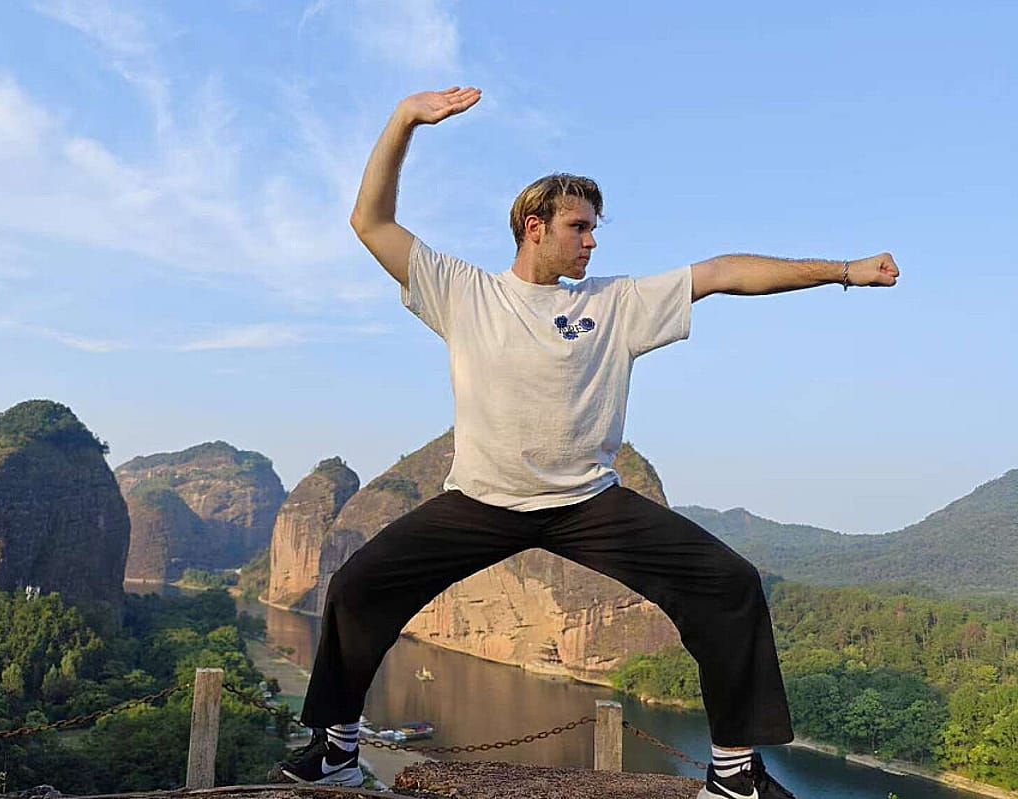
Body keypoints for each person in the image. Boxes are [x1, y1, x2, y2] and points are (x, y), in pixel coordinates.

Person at [271, 87, 899, 798]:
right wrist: (404, 119)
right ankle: (336, 751)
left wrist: (843, 272)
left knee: (730, 586)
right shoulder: (463, 292)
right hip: (479, 500)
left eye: (595, 228)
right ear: (534, 227)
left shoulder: (615, 302)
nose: (593, 240)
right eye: (580, 226)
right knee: (357, 586)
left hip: (588, 502)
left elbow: (723, 273)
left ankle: (733, 775)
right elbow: (370, 220)